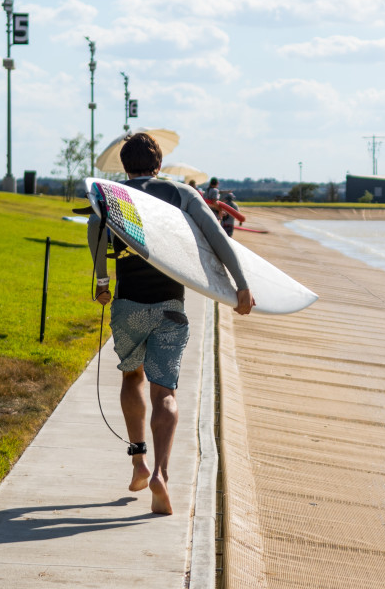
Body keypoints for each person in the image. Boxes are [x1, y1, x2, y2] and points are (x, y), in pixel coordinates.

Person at [87, 133, 254, 515]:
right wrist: (241, 285)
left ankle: (138, 462)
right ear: (158, 164)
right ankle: (161, 473)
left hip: (129, 304)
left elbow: (94, 231)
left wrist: (100, 281)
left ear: (125, 167)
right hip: (171, 307)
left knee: (133, 378)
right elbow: (218, 240)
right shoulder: (181, 194)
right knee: (166, 391)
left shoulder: (112, 195)